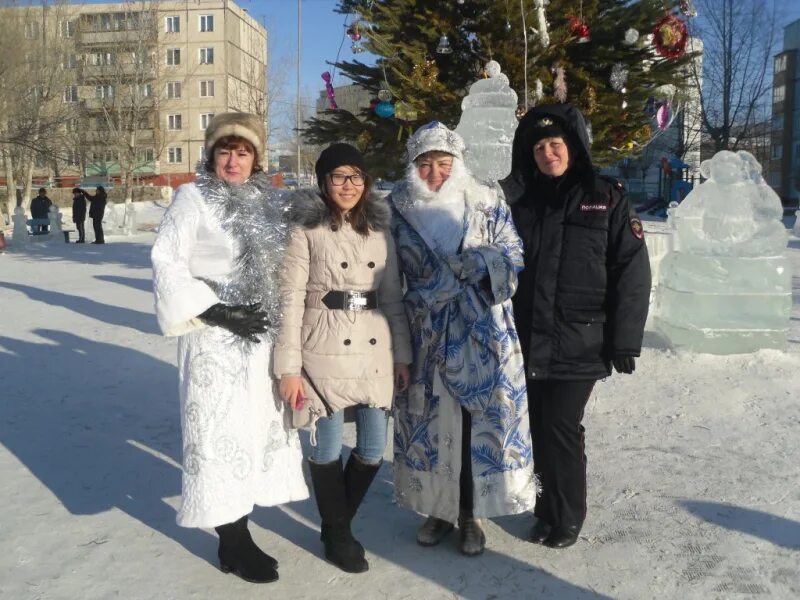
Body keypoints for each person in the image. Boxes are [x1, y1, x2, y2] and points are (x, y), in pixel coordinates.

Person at [151, 112, 309, 584]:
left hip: (258, 338)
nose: (233, 160)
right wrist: (217, 310)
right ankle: (232, 541)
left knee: (252, 431)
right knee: (217, 432)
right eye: (225, 150)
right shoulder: (192, 197)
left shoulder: (268, 202)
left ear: (256, 158)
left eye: (243, 152)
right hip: (213, 339)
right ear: (212, 155)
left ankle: (241, 524)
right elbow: (166, 259)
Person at [501, 103, 651, 549]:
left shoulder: (605, 196)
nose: (549, 153)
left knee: (561, 428)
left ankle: (568, 515)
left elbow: (631, 271)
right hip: (528, 338)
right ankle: (545, 508)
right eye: (540, 147)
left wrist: (625, 340)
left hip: (581, 339)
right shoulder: (521, 202)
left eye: (556, 144)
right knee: (537, 426)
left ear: (573, 147)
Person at [387, 122, 536, 556]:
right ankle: (437, 509)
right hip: (425, 333)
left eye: (443, 163)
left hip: (482, 332)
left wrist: (480, 263)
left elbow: (514, 253)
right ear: (414, 166)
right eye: (426, 164)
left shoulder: (487, 200)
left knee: (475, 423)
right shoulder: (395, 208)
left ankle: (470, 514)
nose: (435, 172)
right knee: (430, 424)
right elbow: (385, 272)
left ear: (458, 164)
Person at [274, 143, 412, 574]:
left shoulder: (380, 231)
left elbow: (393, 299)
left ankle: (336, 524)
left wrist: (402, 357)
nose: (348, 185)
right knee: (328, 446)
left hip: (373, 343)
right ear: (323, 183)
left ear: (366, 183)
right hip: (322, 344)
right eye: (338, 177)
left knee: (372, 449)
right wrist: (288, 368)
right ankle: (338, 534)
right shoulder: (304, 231)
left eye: (356, 176)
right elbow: (289, 299)